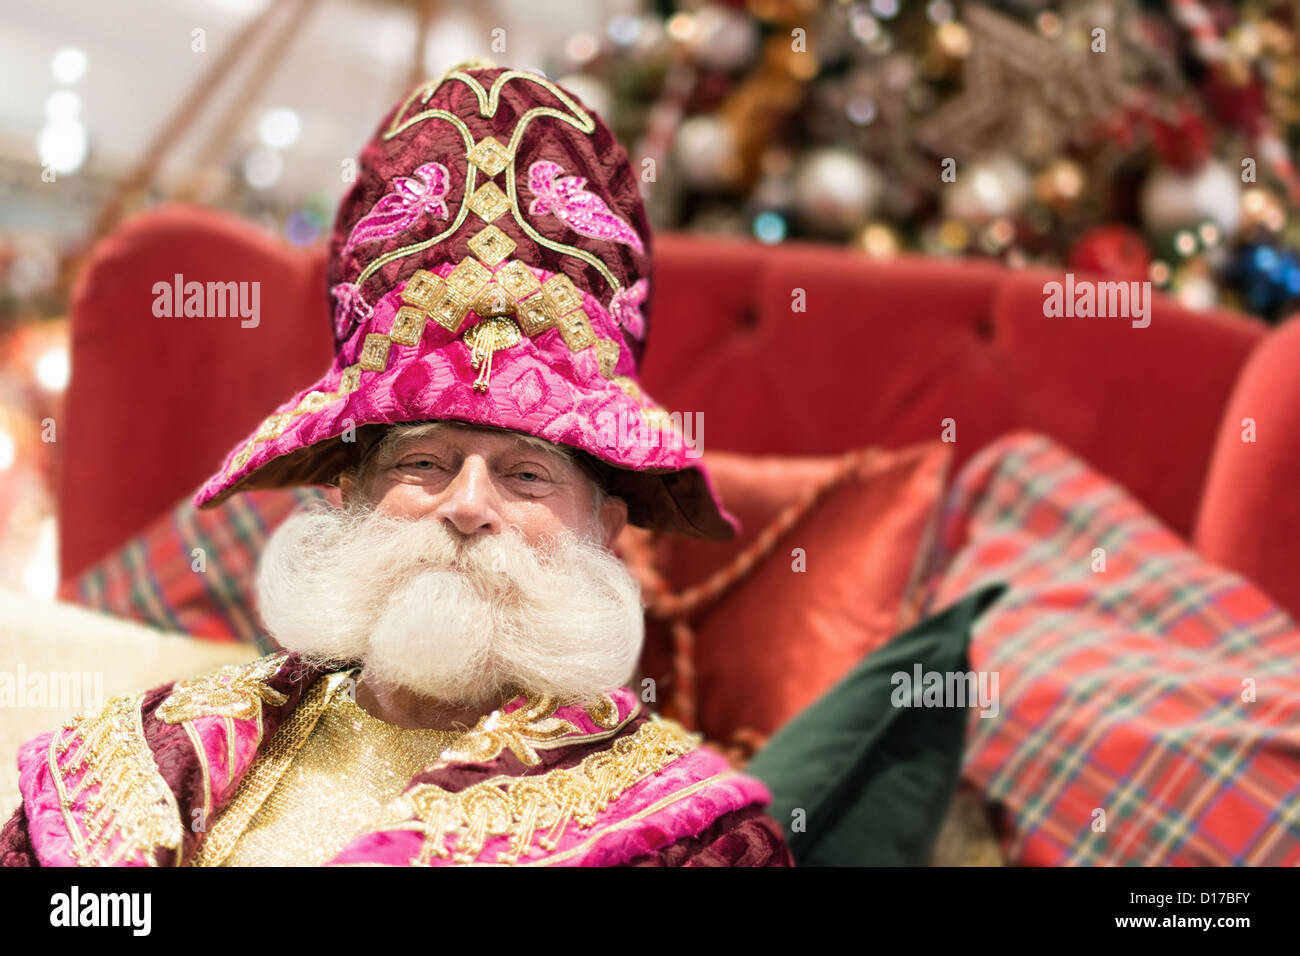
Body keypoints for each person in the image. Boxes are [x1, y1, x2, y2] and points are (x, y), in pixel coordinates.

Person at [0, 59, 793, 867]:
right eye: (424, 462)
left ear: (606, 528)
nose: (467, 504)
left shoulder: (696, 843)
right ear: (350, 498)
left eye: (526, 475)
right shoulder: (137, 762)